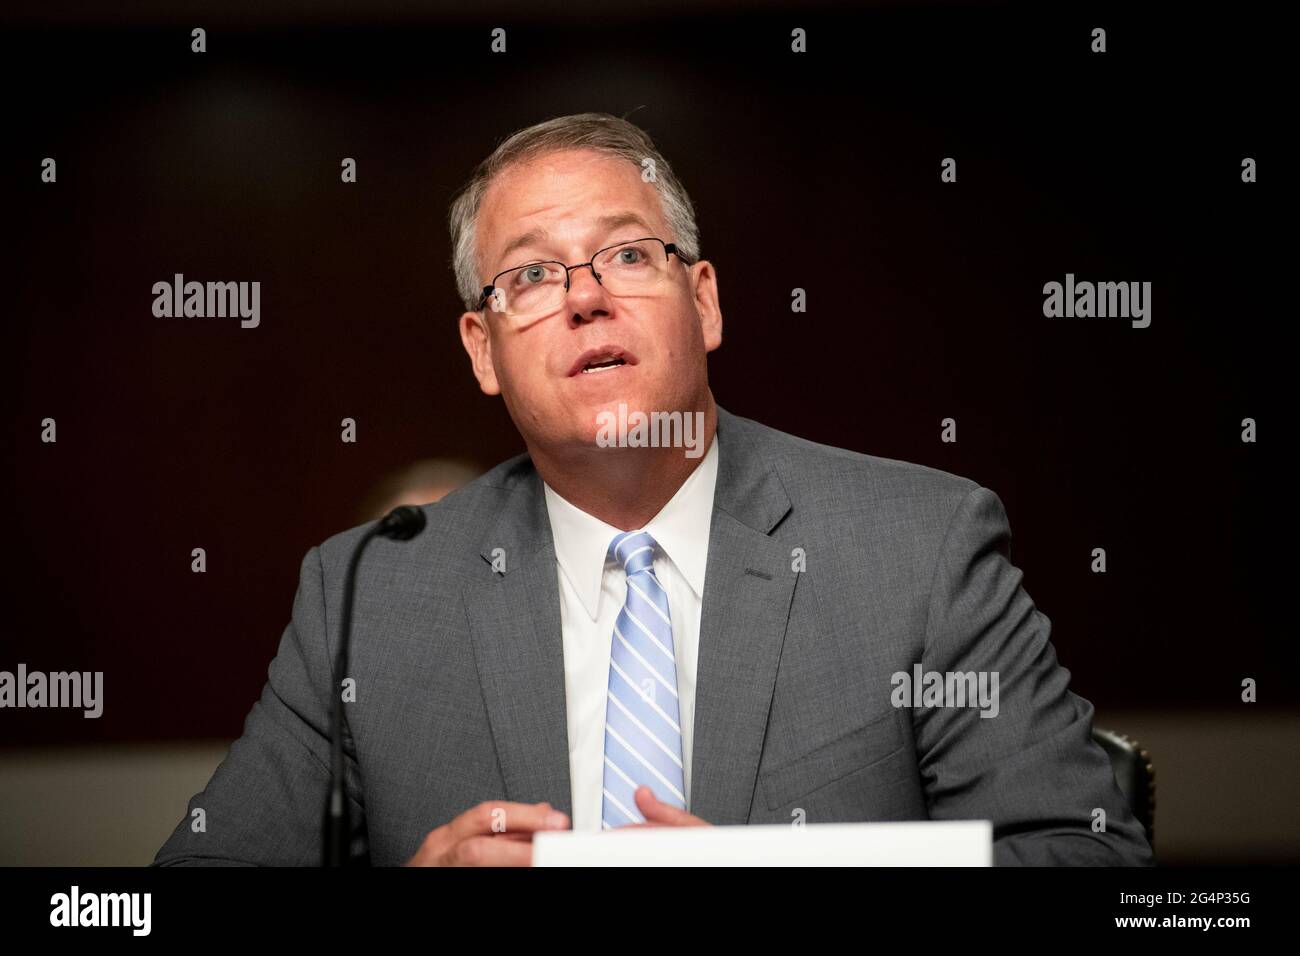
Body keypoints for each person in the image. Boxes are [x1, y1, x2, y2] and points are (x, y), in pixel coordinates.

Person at [155, 112, 1152, 866]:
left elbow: (1090, 854)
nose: (586, 296)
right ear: (482, 349)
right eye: (531, 277)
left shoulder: (917, 547)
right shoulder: (367, 592)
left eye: (628, 254)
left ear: (703, 298)